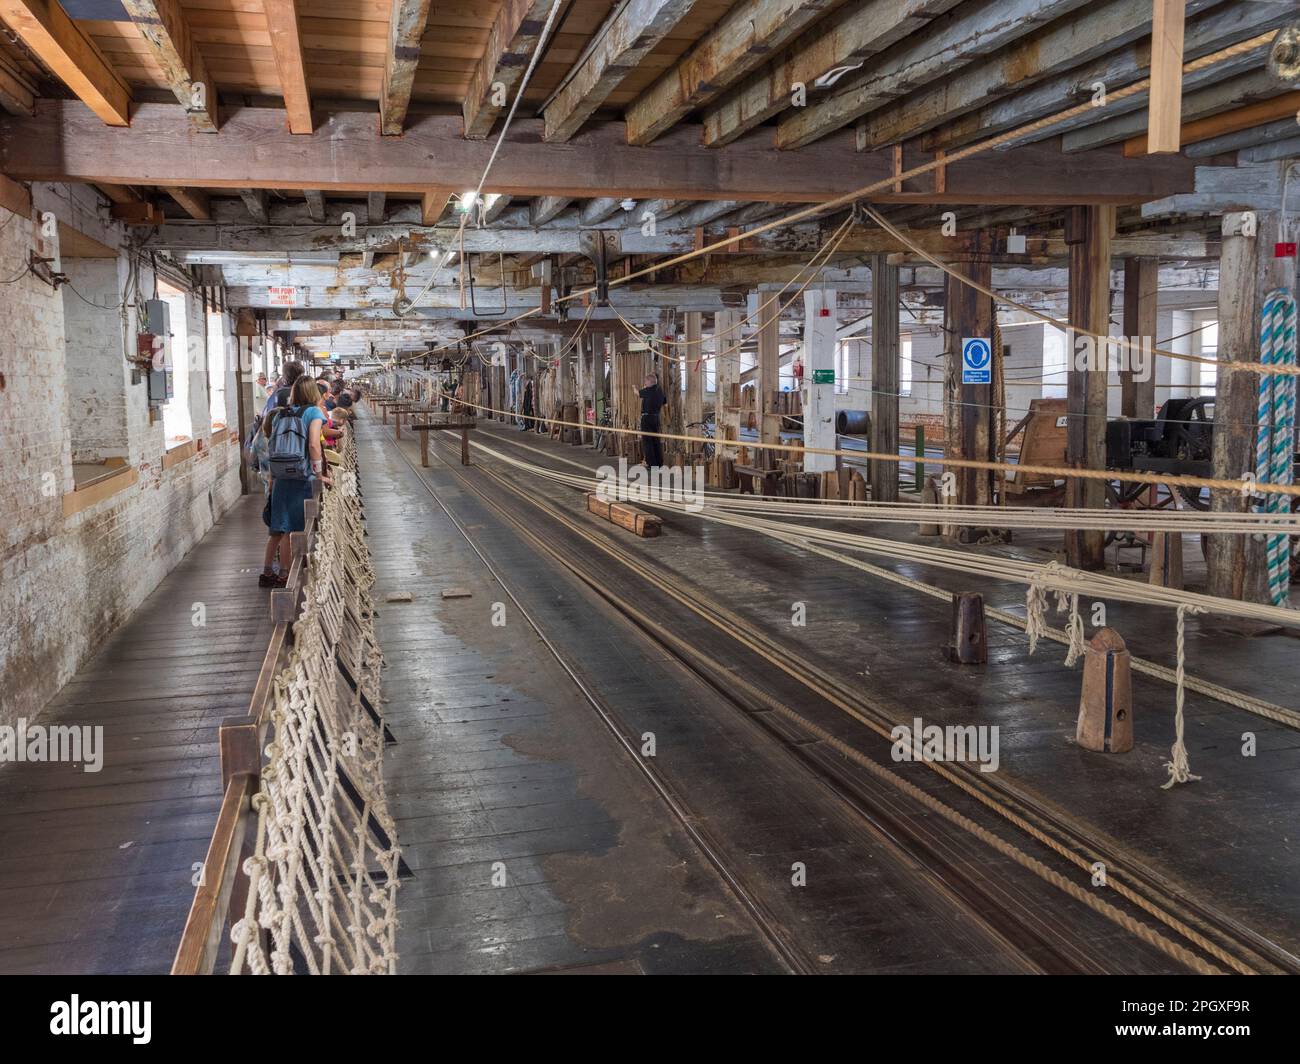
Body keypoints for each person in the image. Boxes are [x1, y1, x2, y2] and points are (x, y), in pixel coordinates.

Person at [259, 377, 330, 588]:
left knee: (282, 528)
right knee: (300, 529)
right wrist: (319, 474)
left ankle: (276, 574)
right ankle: (294, 575)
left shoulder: (282, 414)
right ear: (313, 393)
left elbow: (273, 447)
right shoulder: (314, 413)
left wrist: (273, 479)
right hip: (302, 477)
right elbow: (314, 445)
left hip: (281, 478)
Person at [639, 372, 668, 468]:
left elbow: (637, 393)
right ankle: (659, 462)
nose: (645, 383)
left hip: (647, 418)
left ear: (650, 382)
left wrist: (634, 387)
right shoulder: (659, 391)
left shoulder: (649, 390)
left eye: (646, 382)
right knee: (655, 440)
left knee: (648, 441)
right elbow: (665, 402)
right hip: (656, 418)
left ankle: (651, 464)